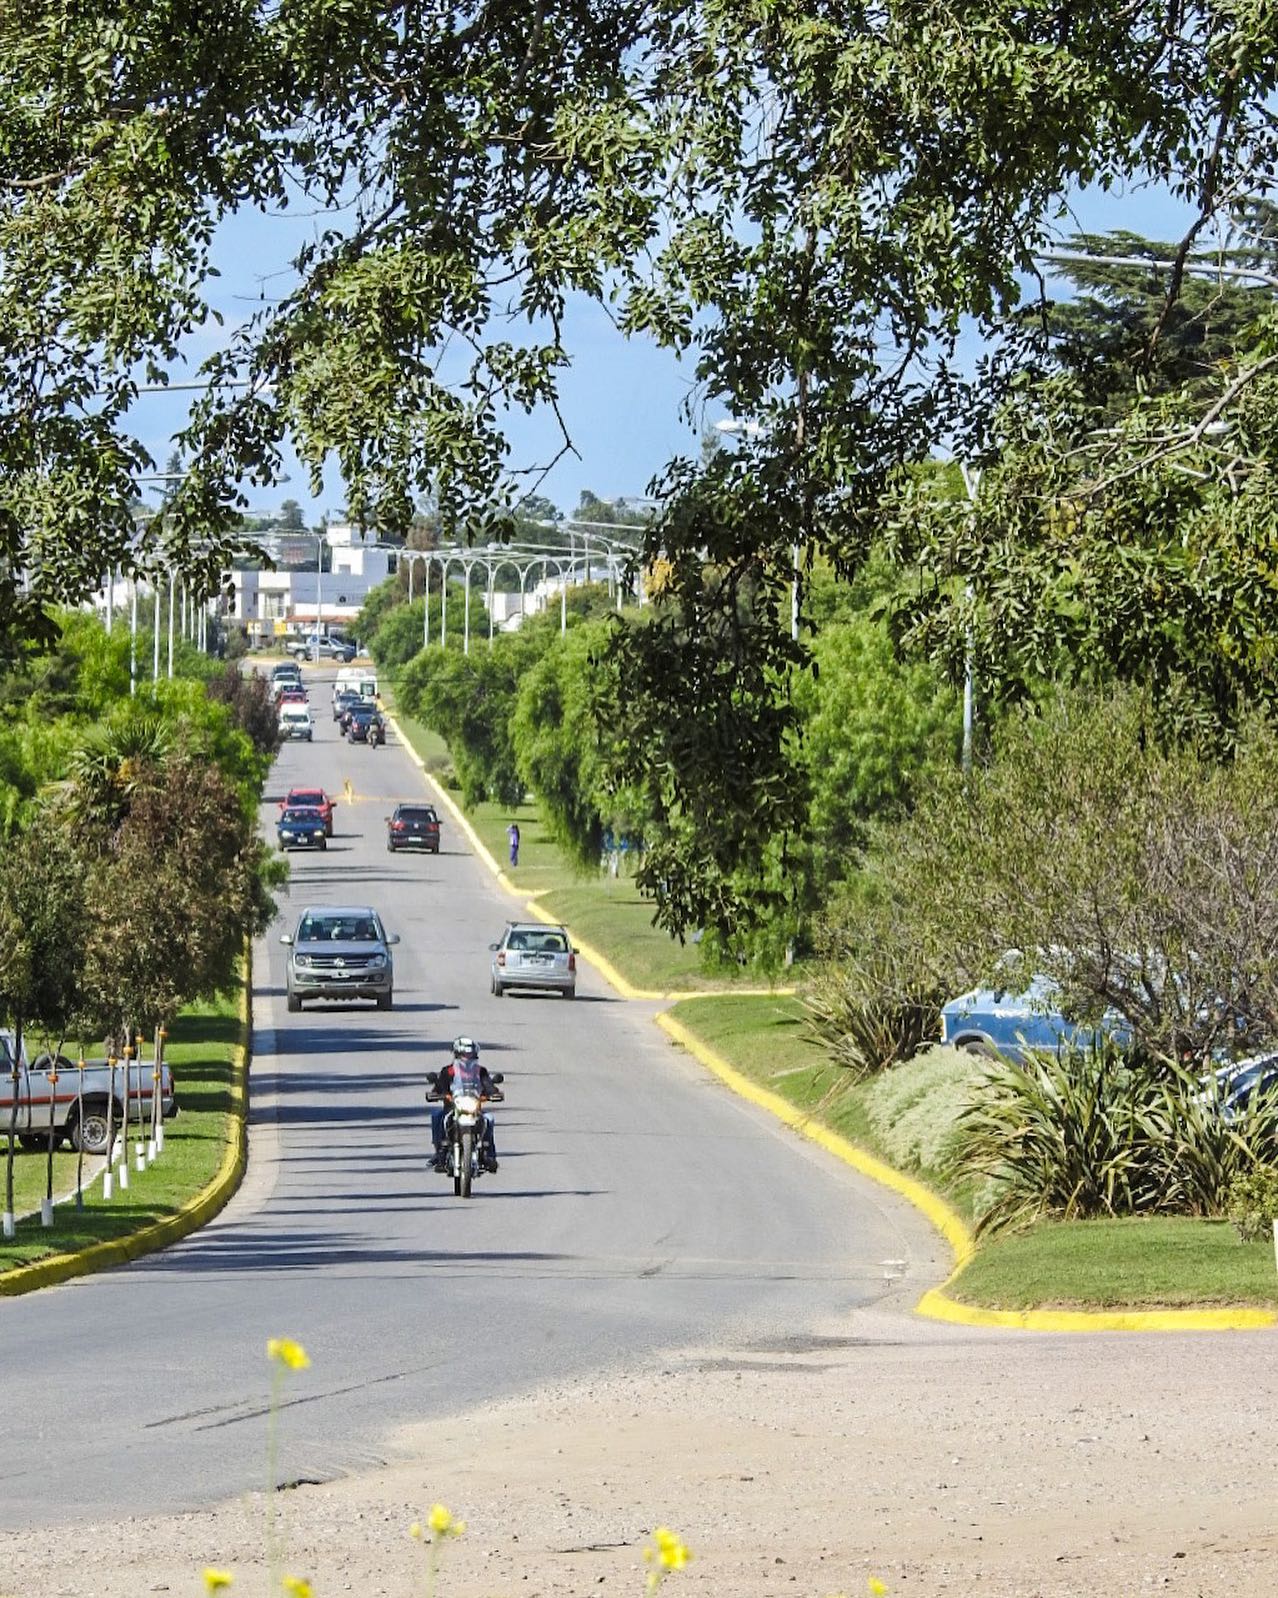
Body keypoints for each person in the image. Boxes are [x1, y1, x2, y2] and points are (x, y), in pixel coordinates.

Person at [429, 1037, 501, 1172]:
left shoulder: (480, 1071)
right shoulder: (448, 1071)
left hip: (474, 1109)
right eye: (464, 1054)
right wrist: (441, 1094)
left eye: (470, 1054)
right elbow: (440, 1087)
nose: (467, 1057)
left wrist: (493, 1093)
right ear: (457, 1054)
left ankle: (489, 1154)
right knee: (437, 1116)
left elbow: (488, 1085)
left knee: (489, 1119)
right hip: (453, 1107)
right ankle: (439, 1152)